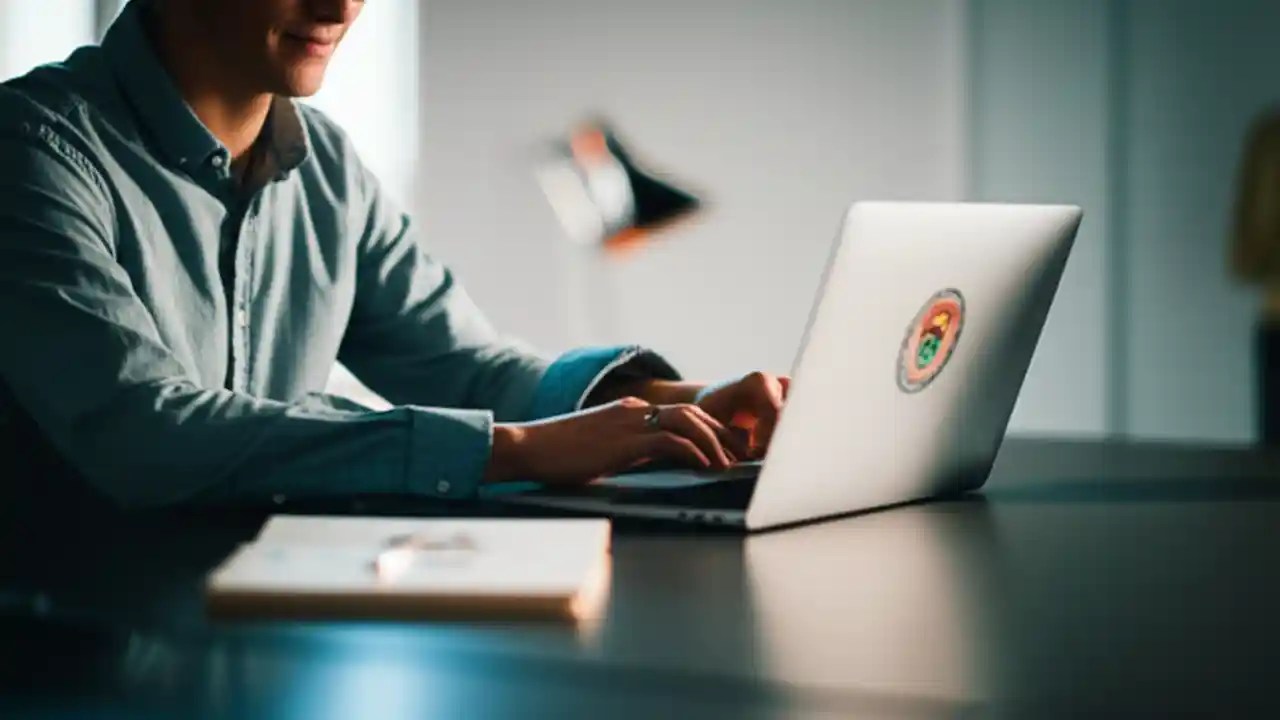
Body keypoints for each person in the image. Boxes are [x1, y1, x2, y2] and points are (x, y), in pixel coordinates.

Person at [0, 0, 788, 511]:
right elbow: (146, 430)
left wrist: (683, 404)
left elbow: (468, 368)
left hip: (259, 626)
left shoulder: (330, 171)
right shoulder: (30, 149)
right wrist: (514, 448)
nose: (341, 7)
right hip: (73, 649)